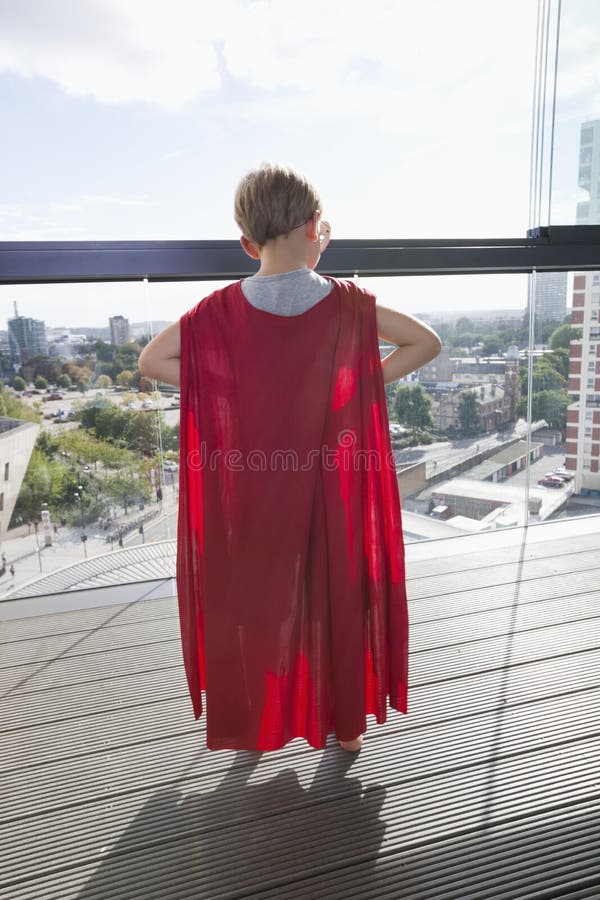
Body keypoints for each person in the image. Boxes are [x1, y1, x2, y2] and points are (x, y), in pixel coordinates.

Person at [139, 163, 442, 753]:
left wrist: (233, 390)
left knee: (257, 600)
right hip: (331, 486)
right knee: (336, 594)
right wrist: (350, 385)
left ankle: (261, 720)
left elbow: (152, 361)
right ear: (314, 228)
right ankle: (345, 728)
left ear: (247, 244)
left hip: (254, 488)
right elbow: (425, 342)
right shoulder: (348, 304)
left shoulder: (217, 310)